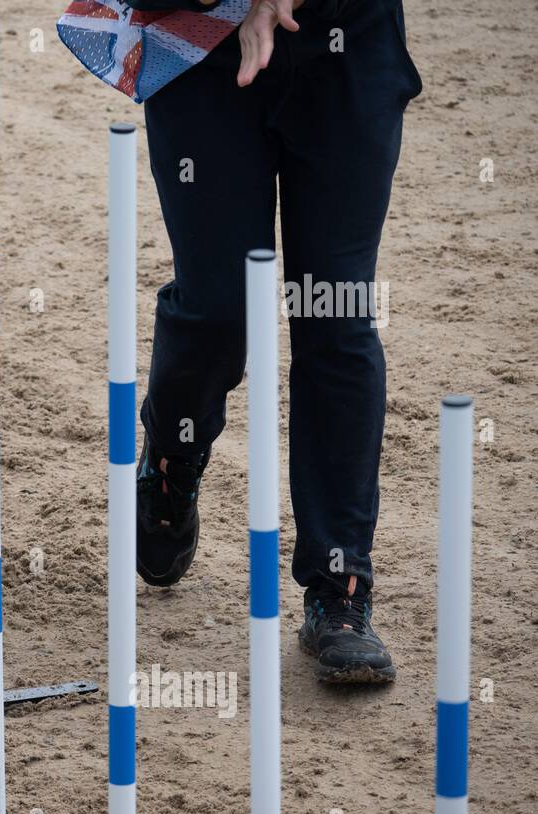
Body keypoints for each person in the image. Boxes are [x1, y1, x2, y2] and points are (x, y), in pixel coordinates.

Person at [126, 0, 422, 682]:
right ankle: (171, 462)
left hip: (349, 41)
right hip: (201, 41)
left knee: (336, 314)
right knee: (220, 309)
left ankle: (339, 589)